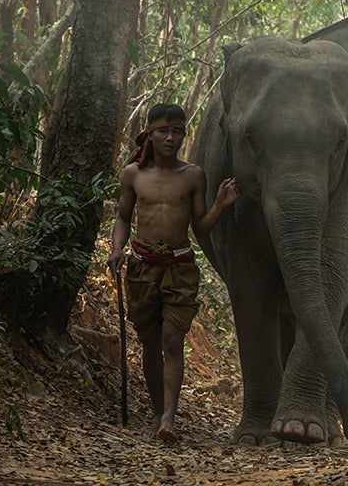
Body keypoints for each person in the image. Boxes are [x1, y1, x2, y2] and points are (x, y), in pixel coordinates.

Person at [108, 103, 239, 444]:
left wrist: (219, 205)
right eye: (163, 131)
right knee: (150, 343)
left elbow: (201, 228)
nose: (171, 138)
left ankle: (169, 417)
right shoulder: (133, 174)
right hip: (141, 267)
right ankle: (157, 412)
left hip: (179, 268)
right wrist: (117, 249)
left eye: (177, 131)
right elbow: (123, 217)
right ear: (149, 133)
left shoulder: (193, 175)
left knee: (172, 341)